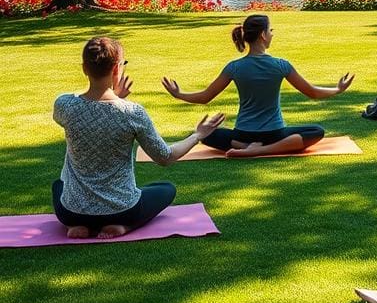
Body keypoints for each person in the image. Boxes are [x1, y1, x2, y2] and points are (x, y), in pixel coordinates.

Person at [53, 37, 225, 239]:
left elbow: (94, 112)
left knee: (58, 185)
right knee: (166, 189)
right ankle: (122, 226)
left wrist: (114, 96)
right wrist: (198, 135)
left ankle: (78, 226)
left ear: (85, 68)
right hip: (121, 210)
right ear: (117, 69)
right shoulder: (132, 113)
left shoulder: (64, 105)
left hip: (72, 211)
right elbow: (165, 157)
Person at [161, 14, 353, 157]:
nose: (271, 34)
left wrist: (179, 95)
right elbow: (311, 92)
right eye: (270, 31)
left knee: (204, 134)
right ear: (262, 35)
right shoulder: (281, 65)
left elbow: (205, 97)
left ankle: (245, 148)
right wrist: (338, 89)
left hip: (243, 134)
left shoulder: (234, 67)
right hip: (276, 135)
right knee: (316, 131)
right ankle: (262, 150)